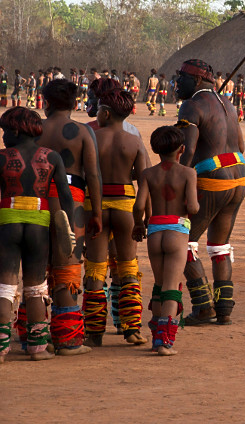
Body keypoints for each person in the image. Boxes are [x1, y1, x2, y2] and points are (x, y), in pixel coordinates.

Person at [0, 107, 75, 361]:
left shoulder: (1, 157)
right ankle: (37, 347)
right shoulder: (52, 157)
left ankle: (0, 349)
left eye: (5, 130)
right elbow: (65, 196)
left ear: (16, 130)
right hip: (39, 225)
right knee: (35, 286)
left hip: (7, 222)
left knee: (5, 287)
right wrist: (68, 229)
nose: (2, 135)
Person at [175, 59, 245, 326]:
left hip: (212, 180)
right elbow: (240, 145)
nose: (176, 83)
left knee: (183, 241)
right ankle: (224, 309)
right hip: (238, 178)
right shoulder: (228, 104)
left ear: (195, 80)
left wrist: (178, 182)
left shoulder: (191, 105)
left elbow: (189, 151)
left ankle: (204, 307)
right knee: (219, 246)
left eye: (180, 78)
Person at [38, 78, 103, 355]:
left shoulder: (33, 130)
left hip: (37, 200)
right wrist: (97, 213)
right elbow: (94, 176)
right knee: (67, 268)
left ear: (46, 103)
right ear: (75, 104)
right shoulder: (83, 133)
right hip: (72, 200)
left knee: (36, 269)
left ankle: (36, 335)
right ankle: (67, 340)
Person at [85, 90, 149, 346]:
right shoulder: (134, 142)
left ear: (107, 113)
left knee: (95, 269)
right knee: (128, 267)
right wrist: (143, 218)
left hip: (95, 205)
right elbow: (145, 182)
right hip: (126, 205)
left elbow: (86, 174)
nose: (96, 113)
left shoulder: (91, 138)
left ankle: (94, 333)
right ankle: (132, 329)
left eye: (99, 109)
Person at [133, 126, 200, 355]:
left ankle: (156, 335)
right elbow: (192, 207)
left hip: (154, 231)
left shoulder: (148, 174)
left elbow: (139, 206)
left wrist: (139, 224)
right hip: (177, 230)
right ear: (181, 149)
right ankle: (164, 342)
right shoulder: (188, 173)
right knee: (172, 287)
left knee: (160, 285)